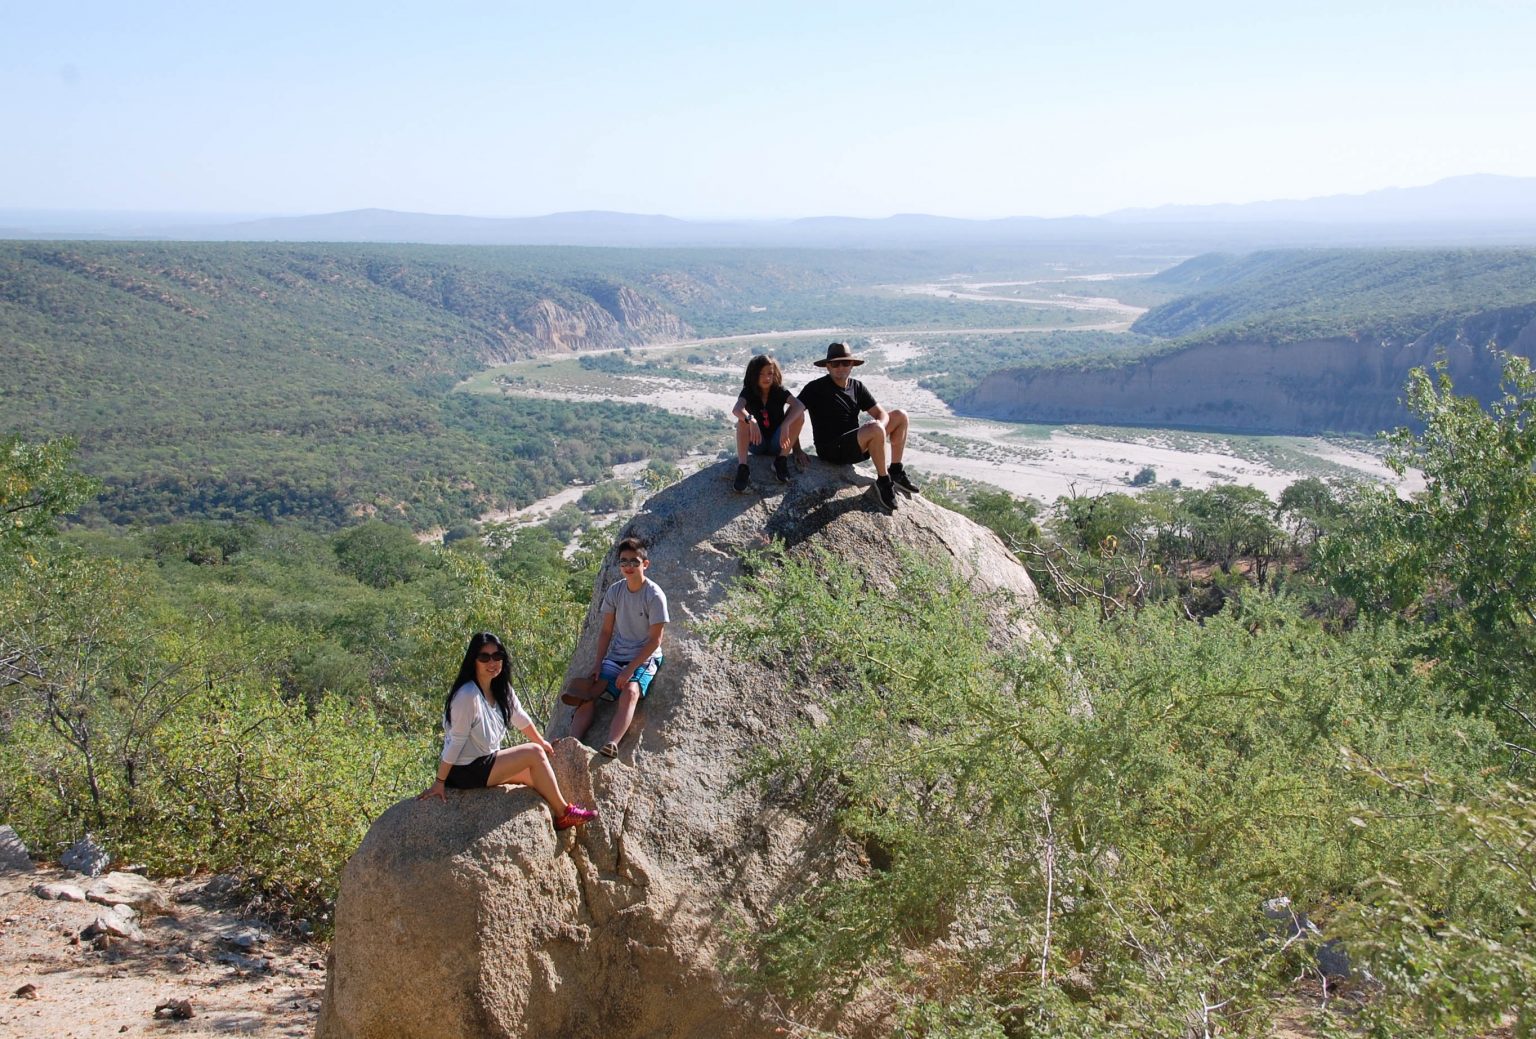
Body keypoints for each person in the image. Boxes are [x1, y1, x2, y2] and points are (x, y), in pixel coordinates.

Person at [418, 632, 597, 830]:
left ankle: (555, 817)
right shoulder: (468, 695)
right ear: (473, 661)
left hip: (486, 760)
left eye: (497, 656)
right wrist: (439, 781)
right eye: (484, 657)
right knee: (534, 754)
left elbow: (520, 717)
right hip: (465, 769)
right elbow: (455, 742)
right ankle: (565, 814)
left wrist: (541, 741)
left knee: (536, 776)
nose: (492, 662)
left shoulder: (501, 688)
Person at [565, 537, 668, 759]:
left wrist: (629, 670)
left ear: (645, 564)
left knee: (631, 691)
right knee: (589, 691)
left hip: (645, 656)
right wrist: (597, 664)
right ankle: (571, 741)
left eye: (634, 562)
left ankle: (612, 743)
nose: (629, 567)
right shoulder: (615, 591)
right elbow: (606, 631)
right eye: (624, 562)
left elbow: (655, 641)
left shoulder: (654, 595)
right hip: (618, 654)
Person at [796, 342, 919, 511]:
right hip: (831, 449)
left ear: (852, 365)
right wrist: (796, 449)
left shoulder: (857, 387)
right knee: (875, 429)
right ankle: (883, 481)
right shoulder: (815, 388)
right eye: (835, 364)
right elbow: (792, 416)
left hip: (856, 445)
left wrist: (879, 427)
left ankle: (896, 470)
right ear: (827, 367)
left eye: (845, 362)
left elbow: (881, 414)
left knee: (900, 416)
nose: (841, 367)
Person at [730, 354, 808, 492]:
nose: (766, 378)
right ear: (754, 375)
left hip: (778, 442)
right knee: (743, 421)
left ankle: (780, 461)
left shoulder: (778, 390)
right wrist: (752, 420)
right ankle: (743, 468)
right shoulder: (749, 391)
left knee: (799, 415)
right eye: (761, 374)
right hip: (756, 442)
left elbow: (799, 406)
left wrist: (786, 424)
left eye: (770, 373)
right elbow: (737, 409)